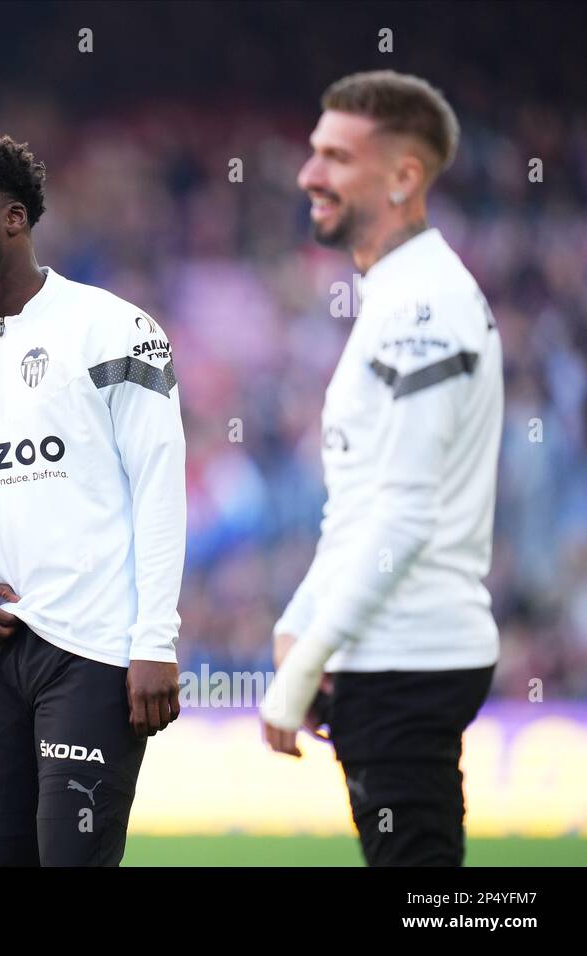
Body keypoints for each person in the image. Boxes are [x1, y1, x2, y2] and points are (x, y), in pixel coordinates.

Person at [0, 128, 186, 866]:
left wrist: (154, 641)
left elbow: (159, 488)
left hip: (93, 651)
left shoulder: (116, 330)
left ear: (14, 218)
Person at [260, 70, 503, 867]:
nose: (309, 174)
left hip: (409, 658)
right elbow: (361, 506)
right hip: (390, 654)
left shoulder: (422, 307)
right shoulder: (400, 296)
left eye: (336, 157)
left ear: (403, 176)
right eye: (313, 151)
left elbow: (404, 517)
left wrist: (302, 669)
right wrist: (301, 620)